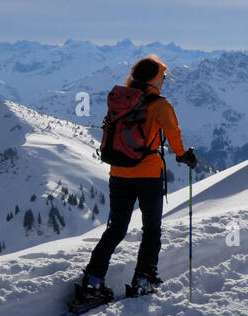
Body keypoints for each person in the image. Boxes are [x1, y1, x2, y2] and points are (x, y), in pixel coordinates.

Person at [78, 55, 197, 301]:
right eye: (163, 77)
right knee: (151, 230)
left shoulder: (121, 100)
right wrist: (184, 156)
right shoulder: (160, 105)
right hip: (148, 174)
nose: (164, 82)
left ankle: (92, 282)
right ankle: (143, 280)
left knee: (116, 229)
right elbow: (174, 135)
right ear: (155, 78)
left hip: (119, 172)